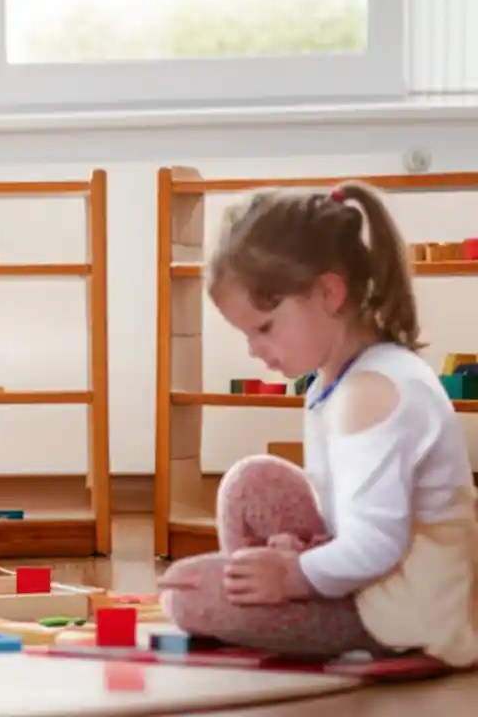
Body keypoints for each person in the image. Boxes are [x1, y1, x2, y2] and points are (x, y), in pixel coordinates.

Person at [158, 182, 478, 667]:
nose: (254, 350)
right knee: (250, 482)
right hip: (379, 572)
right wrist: (305, 550)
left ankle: (273, 600)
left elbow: (377, 545)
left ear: (329, 292)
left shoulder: (369, 394)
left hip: (408, 607)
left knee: (188, 597)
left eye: (264, 328)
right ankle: (269, 592)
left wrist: (292, 575)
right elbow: (358, 513)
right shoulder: (338, 380)